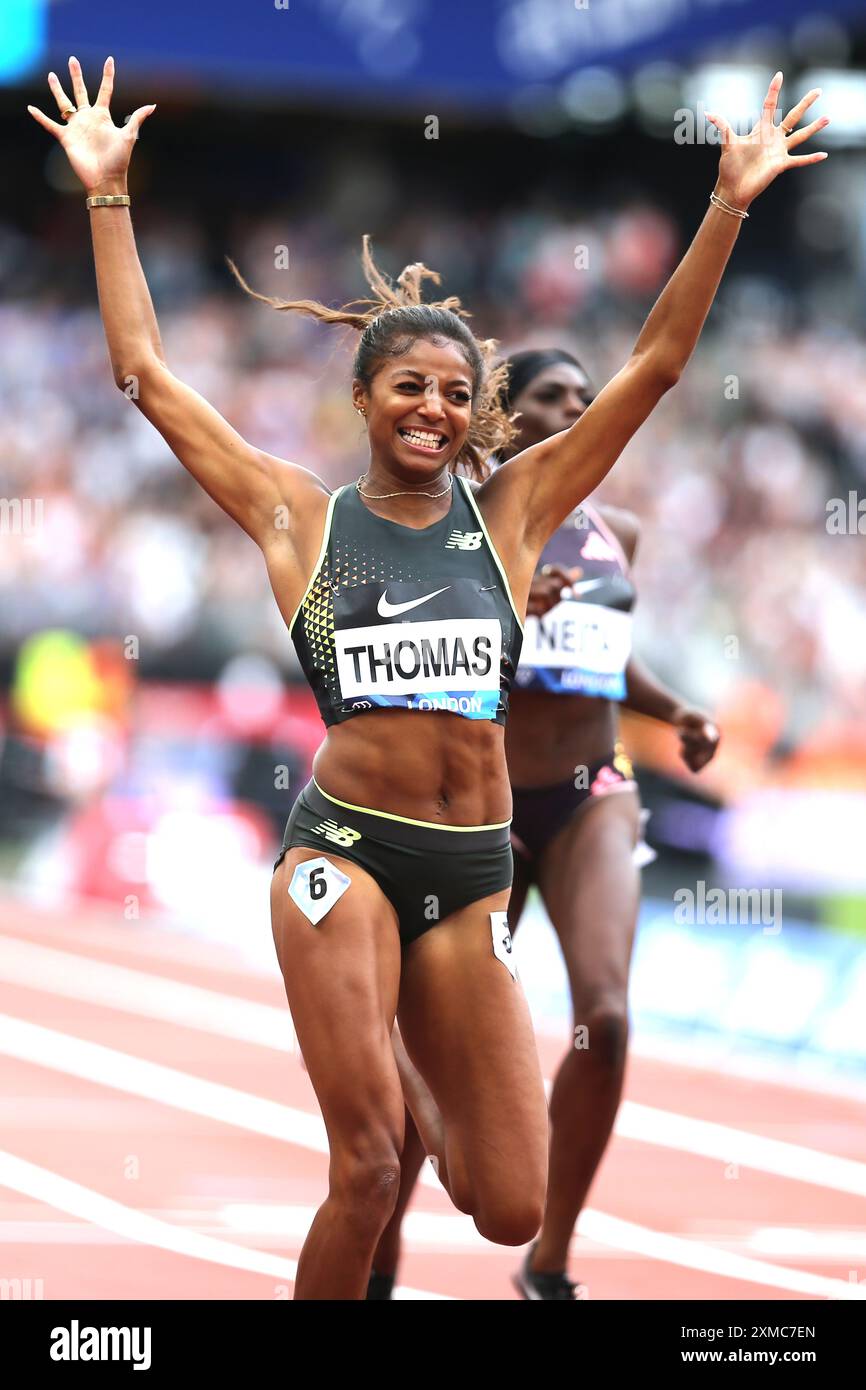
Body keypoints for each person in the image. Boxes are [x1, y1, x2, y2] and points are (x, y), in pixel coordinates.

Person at [29, 56, 829, 1300]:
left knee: (506, 1205)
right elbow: (146, 376)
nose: (433, 409)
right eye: (408, 386)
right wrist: (107, 196)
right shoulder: (300, 518)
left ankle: (404, 1054)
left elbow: (657, 369)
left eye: (456, 394)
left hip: (468, 874)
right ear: (363, 398)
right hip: (343, 853)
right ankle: (377, 1098)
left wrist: (725, 202)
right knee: (366, 1165)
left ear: (475, 416)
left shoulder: (513, 516)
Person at [368, 346, 722, 1300]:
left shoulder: (622, 533)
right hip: (486, 809)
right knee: (434, 1053)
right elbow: (408, 660)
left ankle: (551, 1260)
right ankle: (382, 1250)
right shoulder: (462, 527)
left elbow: (607, 657)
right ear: (503, 421)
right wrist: (507, 609)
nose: (575, 407)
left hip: (593, 794)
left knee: (604, 1019)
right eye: (549, 396)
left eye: (583, 395)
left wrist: (676, 708)